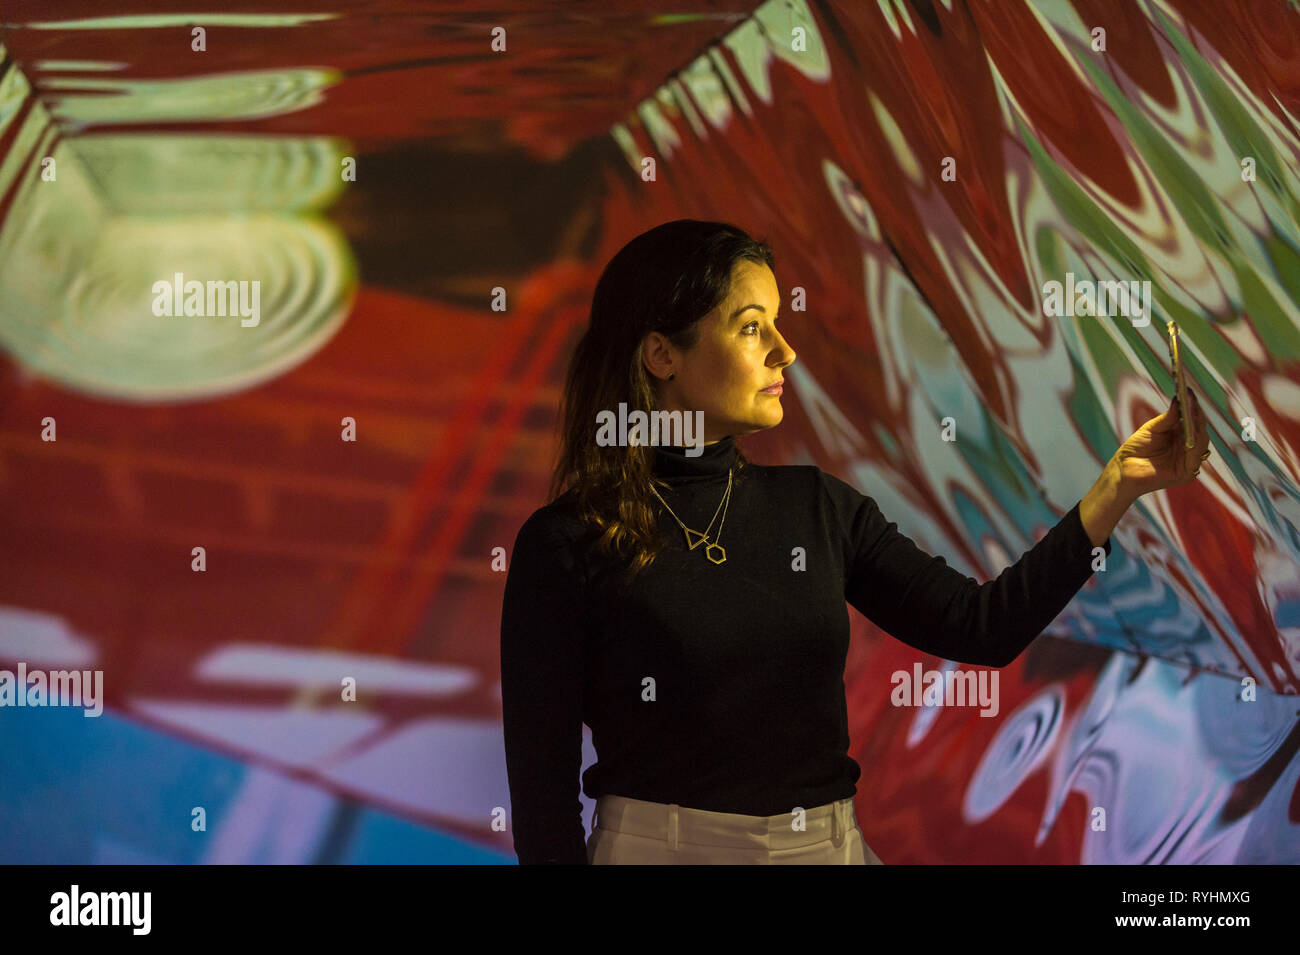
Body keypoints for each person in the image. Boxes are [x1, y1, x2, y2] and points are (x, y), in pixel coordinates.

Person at [499, 219, 1211, 865]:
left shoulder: (817, 507)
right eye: (753, 328)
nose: (787, 349)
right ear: (662, 354)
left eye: (777, 323)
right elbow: (543, 804)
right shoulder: (564, 545)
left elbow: (983, 626)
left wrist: (1117, 488)